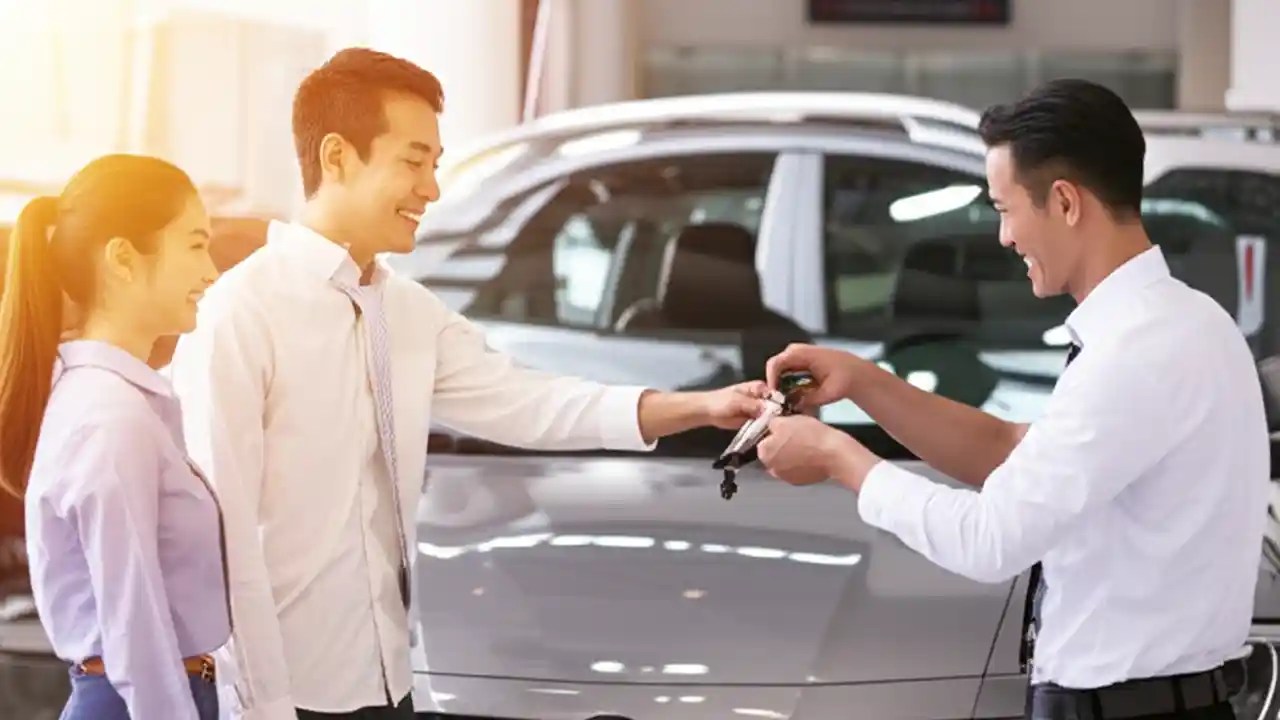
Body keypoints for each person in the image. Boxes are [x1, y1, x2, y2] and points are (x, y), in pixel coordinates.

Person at [166, 47, 768, 720]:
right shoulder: (242, 314)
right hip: (286, 696)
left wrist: (703, 407)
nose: (431, 188)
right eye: (413, 161)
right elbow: (225, 539)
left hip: (387, 680)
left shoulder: (404, 311)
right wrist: (263, 707)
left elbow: (531, 404)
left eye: (435, 164)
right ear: (337, 157)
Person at [755, 79, 1266, 720]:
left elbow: (990, 539)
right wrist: (864, 381)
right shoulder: (1189, 324)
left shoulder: (1136, 353)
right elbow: (1013, 452)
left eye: (1004, 208)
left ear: (1064, 202)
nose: (1002, 236)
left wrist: (839, 458)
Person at [0, 154, 227, 719]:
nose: (211, 272)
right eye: (196, 244)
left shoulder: (116, 402)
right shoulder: (110, 418)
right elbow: (135, 625)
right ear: (124, 258)